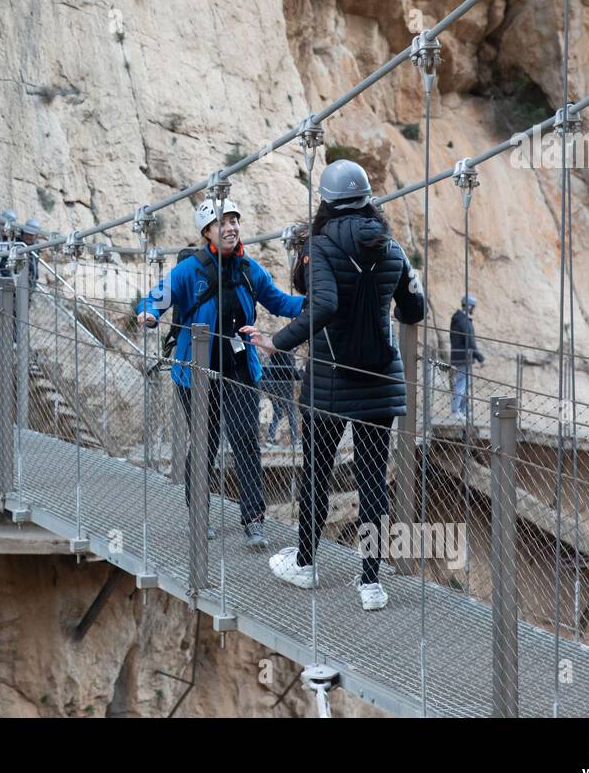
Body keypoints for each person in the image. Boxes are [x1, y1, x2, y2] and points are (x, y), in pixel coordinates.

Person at [243, 160, 425, 610]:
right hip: (381, 376)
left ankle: (306, 563)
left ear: (326, 201)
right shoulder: (393, 249)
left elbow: (322, 305)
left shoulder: (320, 246)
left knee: (317, 473)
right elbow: (414, 311)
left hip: (329, 379)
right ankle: (371, 584)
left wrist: (276, 342)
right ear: (367, 199)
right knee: (373, 481)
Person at [136, 195, 304, 549]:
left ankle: (254, 520)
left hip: (240, 368)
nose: (231, 228)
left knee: (245, 439)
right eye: (222, 223)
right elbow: (155, 297)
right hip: (196, 372)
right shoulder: (189, 271)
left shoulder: (249, 269)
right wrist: (149, 313)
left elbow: (281, 303)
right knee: (206, 442)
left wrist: (320, 301)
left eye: (234, 221)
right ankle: (199, 513)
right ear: (207, 231)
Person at [449, 294, 483, 418]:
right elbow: (470, 341)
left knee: (463, 383)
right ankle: (456, 411)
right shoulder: (464, 320)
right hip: (463, 356)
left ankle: (462, 410)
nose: (473, 309)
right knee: (461, 383)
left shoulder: (459, 319)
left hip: (459, 355)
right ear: (469, 306)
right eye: (473, 307)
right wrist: (480, 357)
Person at [261, 350, 299, 448]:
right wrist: (300, 374)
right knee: (291, 413)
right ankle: (295, 441)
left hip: (274, 387)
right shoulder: (285, 353)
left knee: (278, 412)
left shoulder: (275, 353)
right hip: (284, 387)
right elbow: (290, 370)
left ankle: (270, 438)